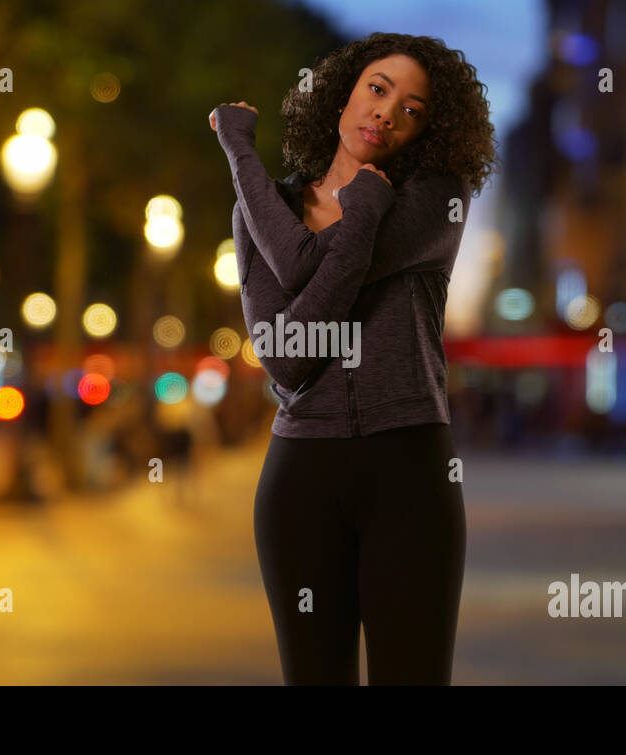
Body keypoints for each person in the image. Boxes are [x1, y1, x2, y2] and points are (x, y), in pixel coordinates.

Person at [210, 32, 498, 685]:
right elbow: (286, 358)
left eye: (414, 108)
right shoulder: (263, 208)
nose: (389, 111)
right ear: (342, 95)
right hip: (300, 479)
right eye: (378, 87)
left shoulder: (435, 200)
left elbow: (307, 263)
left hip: (410, 471)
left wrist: (239, 155)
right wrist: (253, 180)